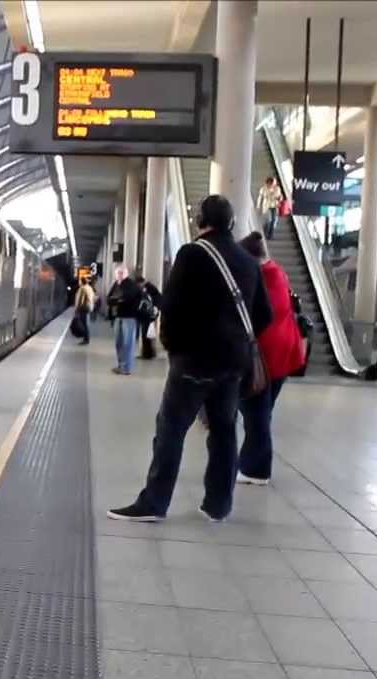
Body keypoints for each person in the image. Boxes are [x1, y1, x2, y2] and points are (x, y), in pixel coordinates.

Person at [108, 195, 273, 522]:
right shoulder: (247, 261)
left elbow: (172, 307)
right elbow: (265, 315)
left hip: (194, 362)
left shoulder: (192, 253)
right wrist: (237, 339)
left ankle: (155, 503)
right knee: (224, 431)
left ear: (201, 220)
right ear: (231, 222)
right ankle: (218, 505)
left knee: (171, 430)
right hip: (232, 364)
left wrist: (174, 345)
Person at [236, 231, 304, 486]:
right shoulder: (276, 272)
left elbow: (261, 319)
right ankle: (250, 461)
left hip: (268, 358)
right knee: (260, 413)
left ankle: (256, 469)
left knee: (256, 413)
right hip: (280, 354)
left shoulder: (267, 278)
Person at [106, 265, 141, 375]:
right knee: (119, 343)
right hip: (118, 317)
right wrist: (118, 300)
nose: (119, 275)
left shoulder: (131, 284)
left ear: (126, 273)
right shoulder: (116, 284)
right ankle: (121, 365)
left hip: (129, 318)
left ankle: (127, 368)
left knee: (128, 343)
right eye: (117, 273)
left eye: (121, 273)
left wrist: (117, 300)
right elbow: (108, 299)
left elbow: (128, 297)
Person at [134, 275, 162, 359]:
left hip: (149, 315)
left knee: (146, 335)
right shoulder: (149, 288)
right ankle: (148, 353)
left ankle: (147, 354)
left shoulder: (149, 288)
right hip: (147, 314)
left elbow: (157, 299)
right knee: (148, 334)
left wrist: (156, 308)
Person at [74, 278, 96, 345]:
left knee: (84, 325)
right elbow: (93, 298)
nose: (79, 283)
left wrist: (76, 309)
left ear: (81, 282)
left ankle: (86, 340)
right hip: (89, 308)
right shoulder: (89, 288)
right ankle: (86, 339)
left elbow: (80, 299)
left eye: (79, 281)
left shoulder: (82, 288)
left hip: (83, 308)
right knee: (86, 324)